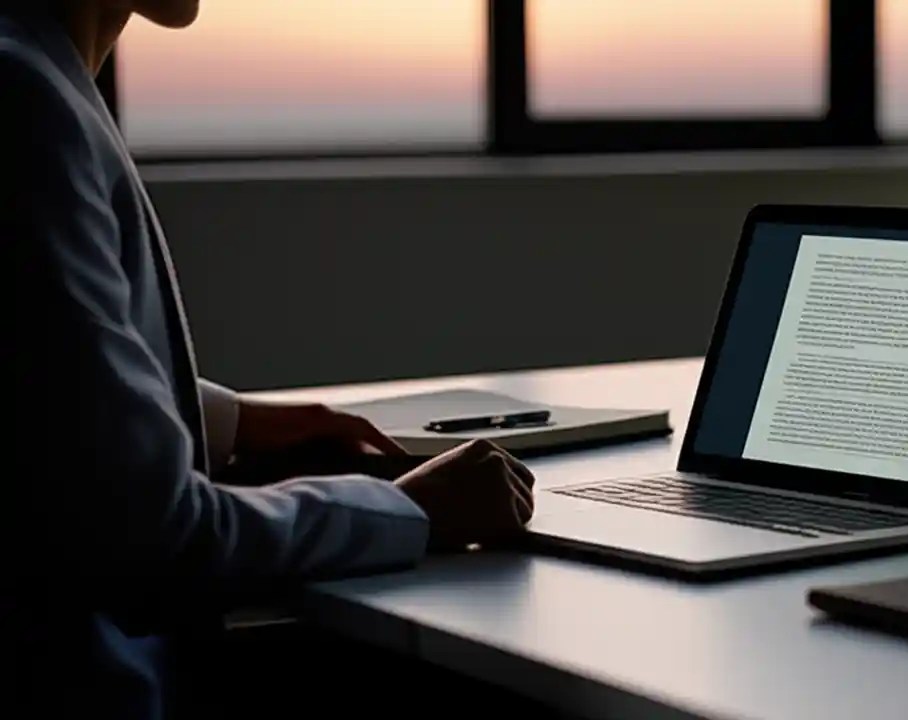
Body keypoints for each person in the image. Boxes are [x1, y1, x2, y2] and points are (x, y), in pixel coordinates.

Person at [0, 1, 538, 717]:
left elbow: (38, 372)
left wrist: (230, 423)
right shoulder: (25, 104)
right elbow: (156, 542)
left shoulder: (38, 74)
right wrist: (411, 510)